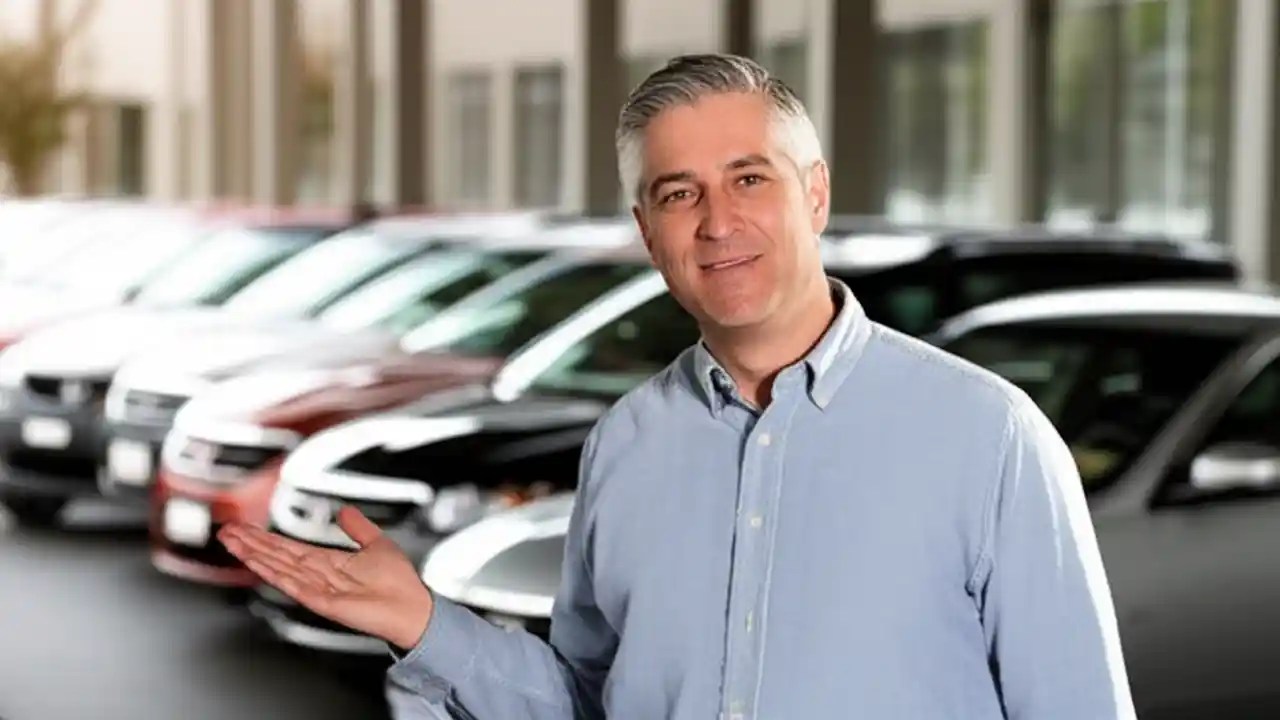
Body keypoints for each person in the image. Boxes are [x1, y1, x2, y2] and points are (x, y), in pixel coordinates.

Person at [218, 53, 1136, 719]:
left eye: (750, 178)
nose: (718, 222)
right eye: (679, 193)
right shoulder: (626, 444)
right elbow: (589, 701)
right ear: (647, 232)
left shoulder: (986, 437)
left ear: (815, 195)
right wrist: (423, 624)